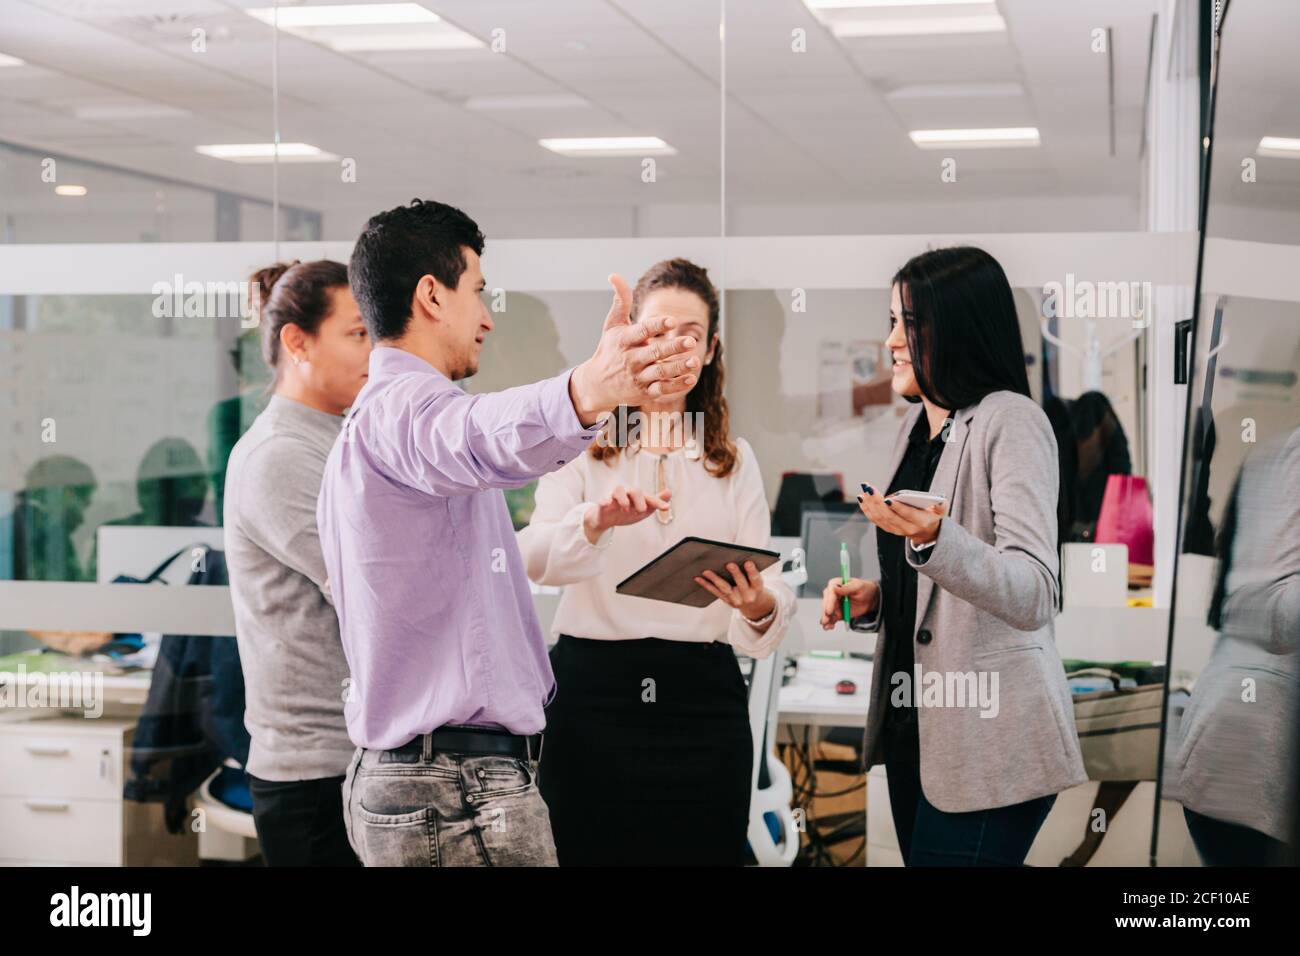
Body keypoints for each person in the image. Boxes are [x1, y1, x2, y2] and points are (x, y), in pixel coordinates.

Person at [317, 199, 700, 867]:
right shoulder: (405, 411)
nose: (488, 317)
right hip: (454, 787)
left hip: (436, 778)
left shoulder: (376, 422)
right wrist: (591, 386)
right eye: (478, 292)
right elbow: (477, 436)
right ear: (431, 296)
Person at [517, 258, 795, 866]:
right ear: (631, 338)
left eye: (689, 334)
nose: (672, 347)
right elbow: (532, 558)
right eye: (656, 330)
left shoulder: (733, 459)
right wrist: (591, 525)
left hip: (703, 702)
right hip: (594, 698)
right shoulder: (582, 444)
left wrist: (756, 603)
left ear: (711, 347)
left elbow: (767, 606)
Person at [822, 246, 1087, 866]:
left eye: (905, 324)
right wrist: (879, 598)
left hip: (989, 741)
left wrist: (935, 541)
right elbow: (935, 595)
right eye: (890, 321)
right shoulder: (913, 431)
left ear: (959, 329)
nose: (889, 341)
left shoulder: (1011, 422)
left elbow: (1035, 591)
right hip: (920, 735)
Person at [223, 259, 371, 866]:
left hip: (353, 762)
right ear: (296, 341)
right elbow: (375, 588)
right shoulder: (280, 454)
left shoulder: (335, 437)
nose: (376, 352)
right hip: (314, 776)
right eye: (359, 333)